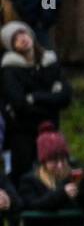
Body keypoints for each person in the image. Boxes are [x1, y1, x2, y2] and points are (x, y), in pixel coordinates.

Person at [1, 20, 71, 182]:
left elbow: (65, 96)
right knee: (22, 175)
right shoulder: (9, 70)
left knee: (56, 173)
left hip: (50, 128)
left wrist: (36, 97)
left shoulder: (49, 61)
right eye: (15, 38)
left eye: (23, 33)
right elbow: (19, 104)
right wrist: (51, 99)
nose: (22, 38)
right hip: (22, 133)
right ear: (10, 45)